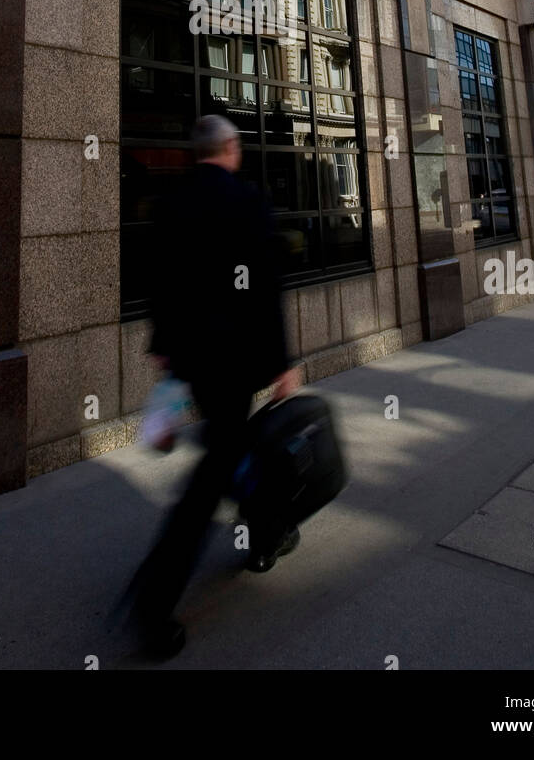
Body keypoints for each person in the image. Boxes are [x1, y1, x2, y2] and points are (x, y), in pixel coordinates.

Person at [126, 114, 302, 660]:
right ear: (229, 149)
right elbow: (263, 287)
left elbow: (157, 277)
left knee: (231, 449)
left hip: (192, 363)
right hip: (236, 362)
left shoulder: (171, 202)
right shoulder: (246, 200)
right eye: (237, 148)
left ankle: (267, 536)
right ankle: (152, 605)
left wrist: (162, 344)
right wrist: (281, 365)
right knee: (211, 479)